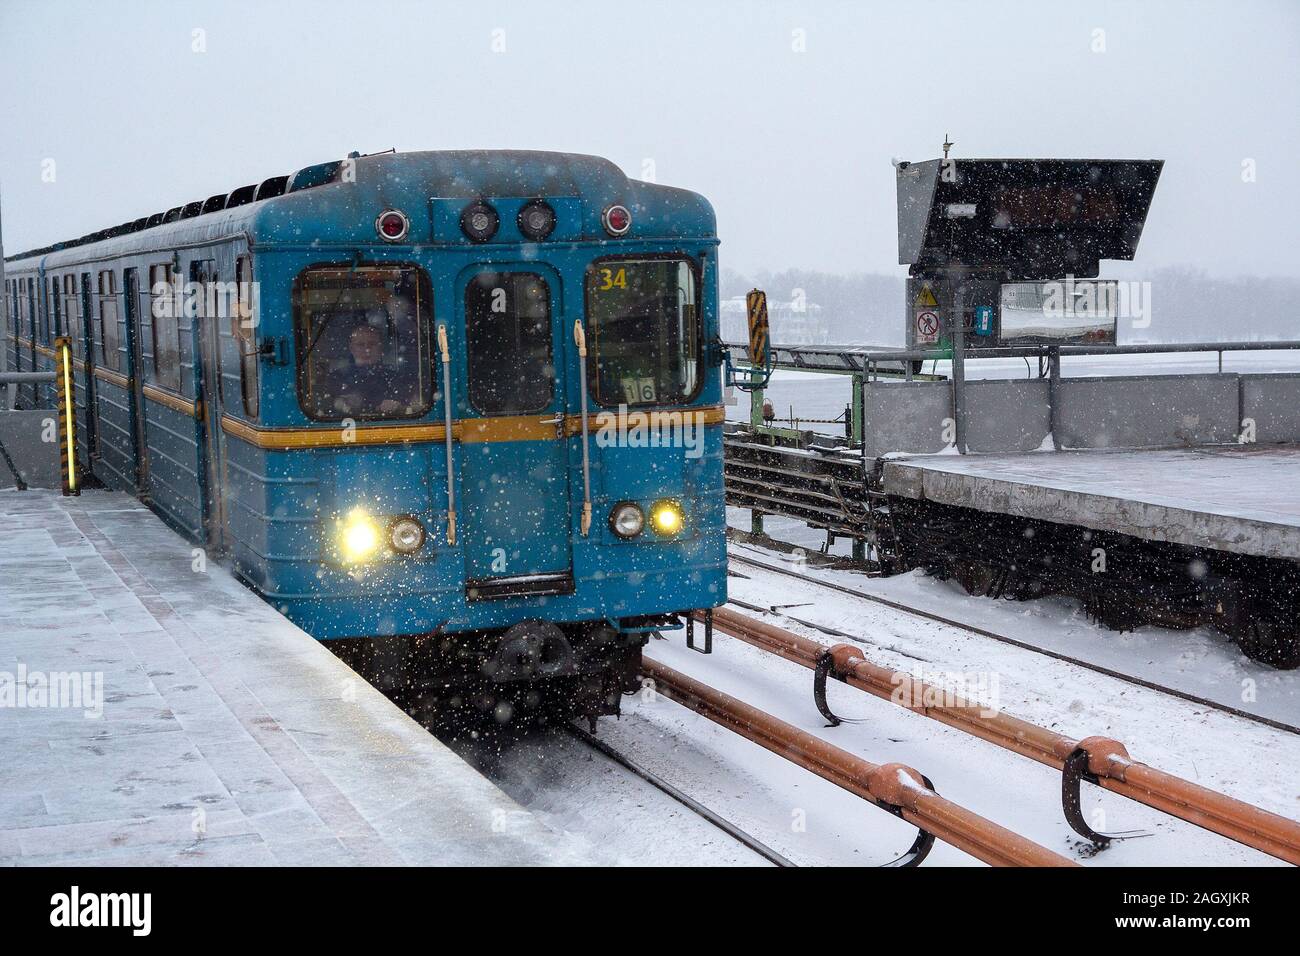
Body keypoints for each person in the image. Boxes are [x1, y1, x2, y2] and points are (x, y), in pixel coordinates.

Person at [330, 321, 407, 416]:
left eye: (372, 344)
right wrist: (338, 404)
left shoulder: (396, 378)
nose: (367, 349)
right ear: (351, 348)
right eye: (360, 344)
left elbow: (411, 406)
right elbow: (324, 410)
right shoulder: (336, 378)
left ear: (380, 347)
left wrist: (397, 406)